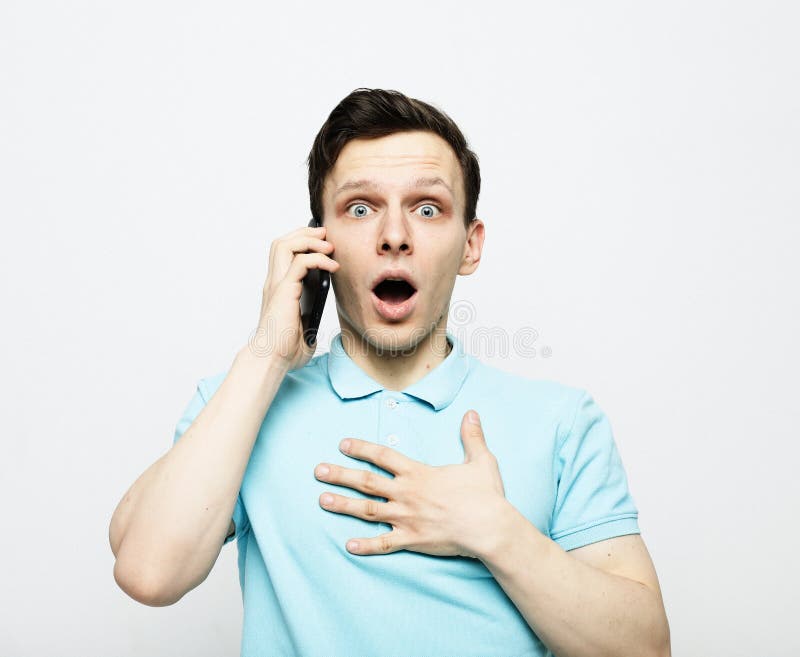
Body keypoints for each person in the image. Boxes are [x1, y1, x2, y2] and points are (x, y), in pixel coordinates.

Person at [109, 88, 671, 657]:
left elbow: (645, 649)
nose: (395, 235)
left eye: (428, 208)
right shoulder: (241, 404)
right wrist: (266, 355)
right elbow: (148, 573)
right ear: (316, 245)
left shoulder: (562, 421)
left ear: (470, 246)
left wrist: (497, 533)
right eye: (360, 208)